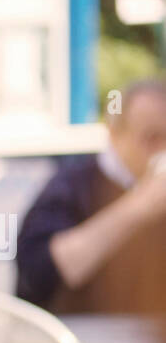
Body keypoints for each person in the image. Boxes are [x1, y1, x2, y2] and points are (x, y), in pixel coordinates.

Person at [15, 77, 166, 317]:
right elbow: (39, 273)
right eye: (151, 138)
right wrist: (140, 206)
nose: (161, 150)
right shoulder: (70, 186)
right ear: (115, 134)